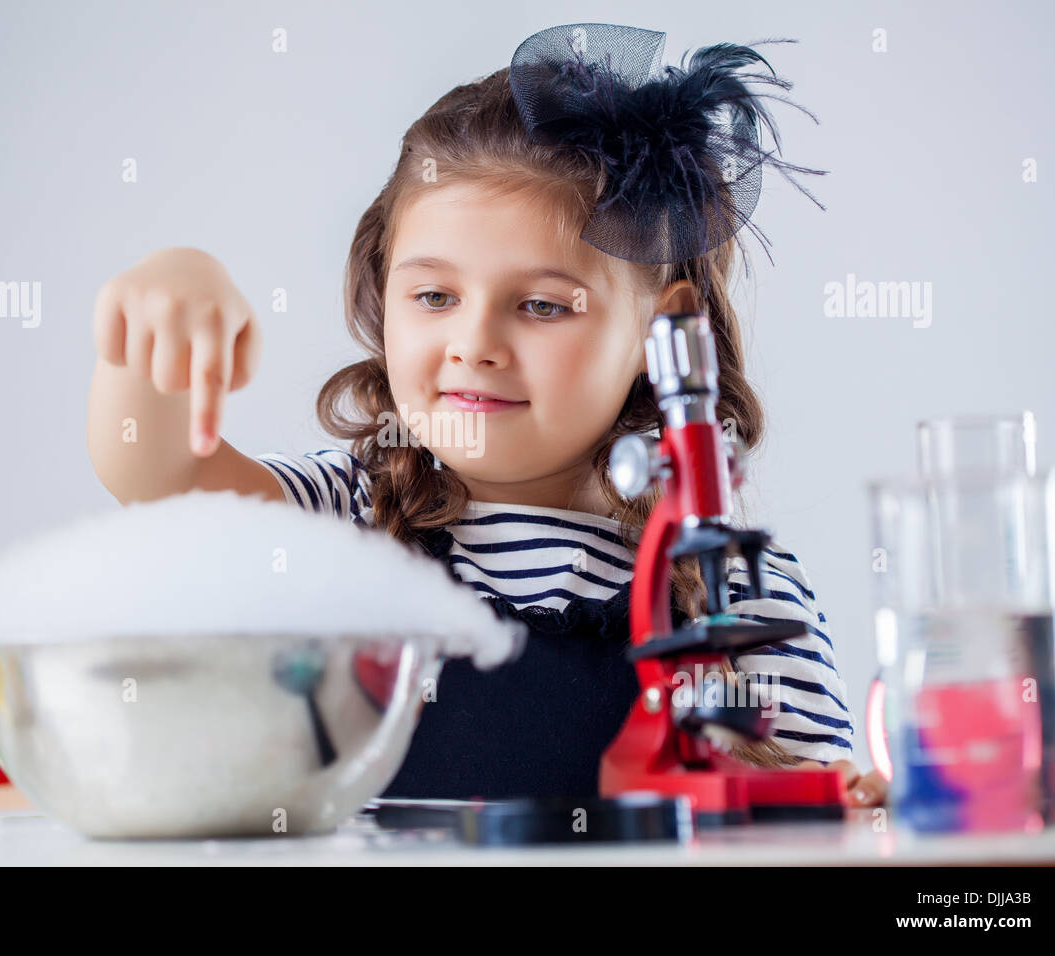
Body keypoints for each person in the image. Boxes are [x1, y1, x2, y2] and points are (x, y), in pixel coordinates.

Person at [87, 23, 886, 807]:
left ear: (659, 334)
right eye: (434, 296)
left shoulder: (735, 591)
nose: (475, 344)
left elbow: (812, 820)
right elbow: (159, 476)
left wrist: (834, 804)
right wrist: (172, 286)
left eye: (541, 305)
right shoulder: (345, 519)